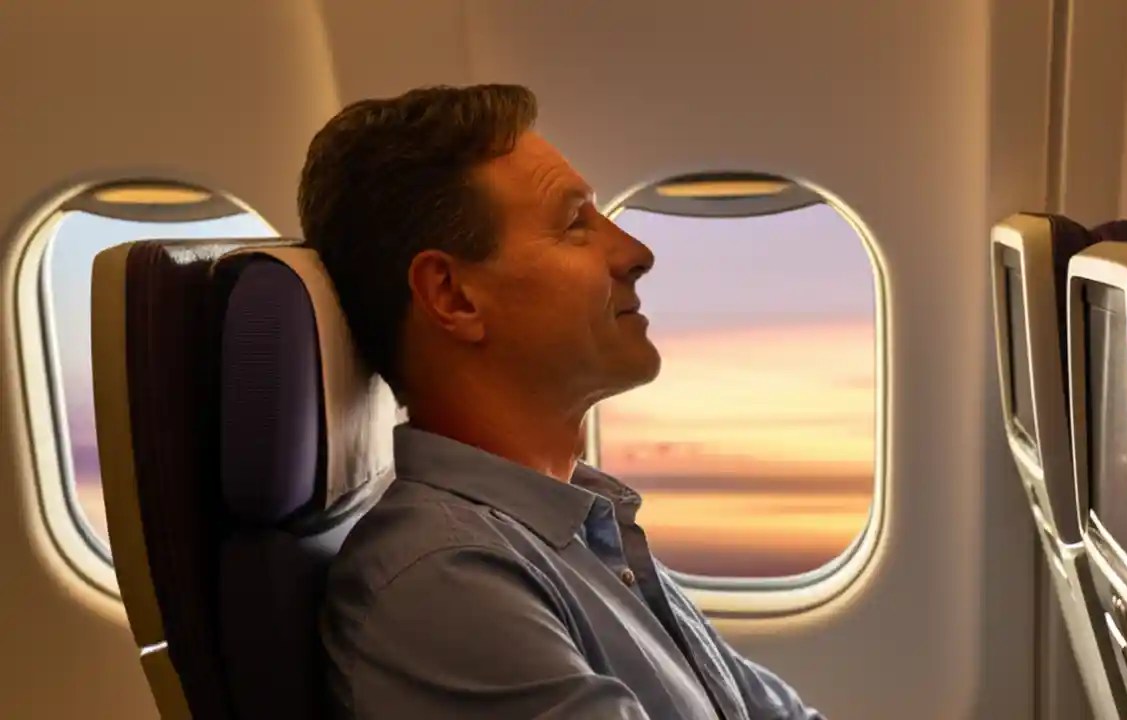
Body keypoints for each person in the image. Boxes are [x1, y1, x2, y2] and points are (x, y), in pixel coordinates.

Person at [299, 84, 825, 720]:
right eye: (576, 224)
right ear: (453, 296)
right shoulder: (445, 582)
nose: (637, 254)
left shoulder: (586, 529)